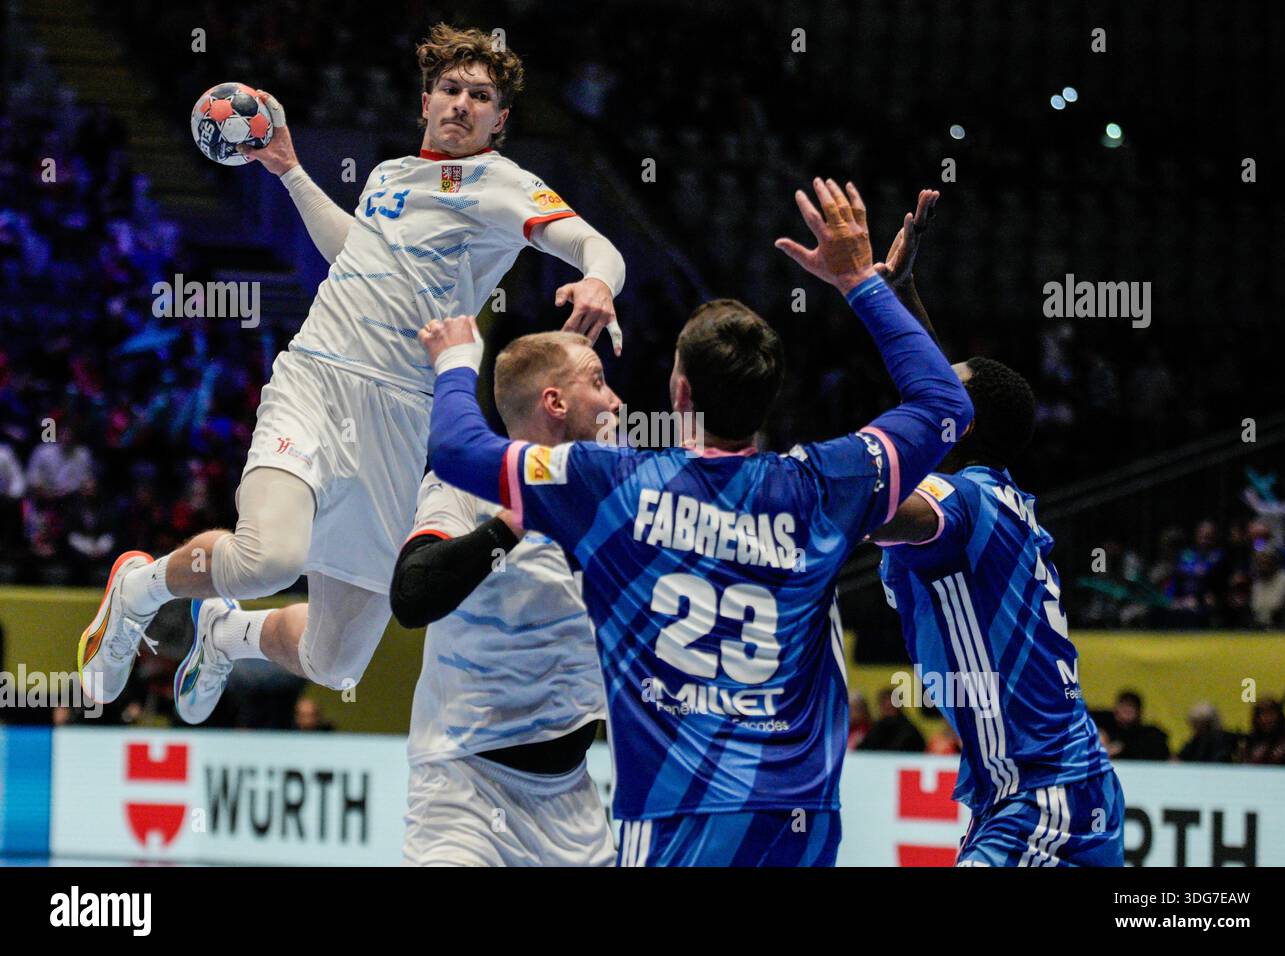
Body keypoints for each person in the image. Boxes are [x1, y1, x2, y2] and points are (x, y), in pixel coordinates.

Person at [77, 24, 626, 725]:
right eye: (451, 90)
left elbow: (589, 241)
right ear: (426, 100)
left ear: (501, 118)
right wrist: (291, 173)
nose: (462, 104)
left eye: (480, 96)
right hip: (318, 378)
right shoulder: (390, 175)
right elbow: (355, 254)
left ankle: (224, 633)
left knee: (335, 661)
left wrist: (600, 281)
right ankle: (141, 589)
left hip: (401, 420)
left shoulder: (503, 186)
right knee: (269, 560)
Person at [418, 178, 971, 866]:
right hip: (798, 820)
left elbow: (456, 449)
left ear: (678, 391)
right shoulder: (826, 484)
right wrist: (862, 282)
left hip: (676, 816)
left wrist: (453, 361)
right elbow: (947, 402)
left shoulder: (609, 485)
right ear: (769, 399)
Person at [866, 193, 1124, 865]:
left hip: (1045, 802)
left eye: (944, 394)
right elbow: (947, 398)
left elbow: (871, 506)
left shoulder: (960, 502)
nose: (927, 394)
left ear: (961, 422)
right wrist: (898, 296)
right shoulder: (991, 494)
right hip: (1034, 792)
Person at [391, 331, 618, 866]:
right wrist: (512, 523)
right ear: (554, 403)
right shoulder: (467, 488)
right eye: (598, 382)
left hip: (573, 808)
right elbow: (413, 596)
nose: (614, 400)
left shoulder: (617, 489)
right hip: (464, 792)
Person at [1105, 691, 1170, 761]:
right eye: (1123, 707)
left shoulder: (1152, 735)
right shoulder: (1105, 730)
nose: (1126, 712)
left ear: (1138, 712)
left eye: (1130, 707)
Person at [858, 688, 925, 752]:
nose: (887, 708)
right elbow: (862, 750)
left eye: (891, 706)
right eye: (884, 705)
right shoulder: (876, 728)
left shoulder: (909, 731)